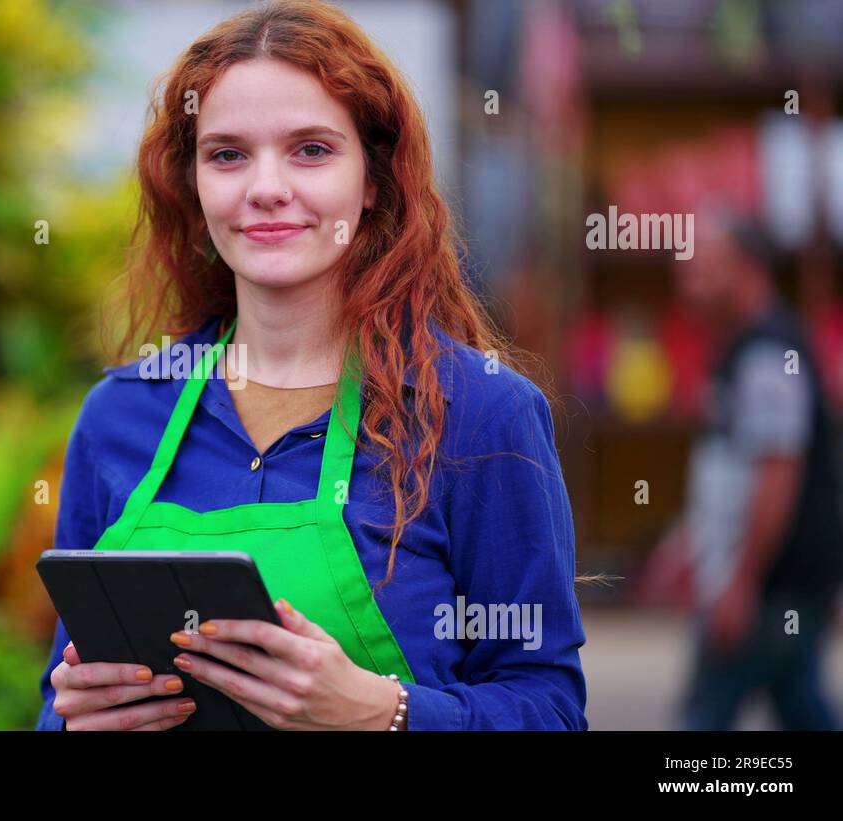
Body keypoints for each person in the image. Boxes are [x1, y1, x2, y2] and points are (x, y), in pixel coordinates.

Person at [35, 0, 588, 731]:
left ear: (372, 180)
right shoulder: (118, 417)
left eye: (311, 149)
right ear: (196, 191)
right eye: (227, 154)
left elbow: (549, 708)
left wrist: (383, 711)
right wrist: (75, 720)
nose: (266, 187)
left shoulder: (481, 416)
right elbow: (58, 699)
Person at [669, 207, 843, 730]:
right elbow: (734, 470)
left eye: (705, 266)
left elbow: (778, 471)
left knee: (702, 722)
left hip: (768, 588)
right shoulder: (746, 347)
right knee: (802, 705)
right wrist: (685, 545)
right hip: (782, 587)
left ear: (747, 269)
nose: (689, 281)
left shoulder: (768, 353)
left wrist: (741, 582)